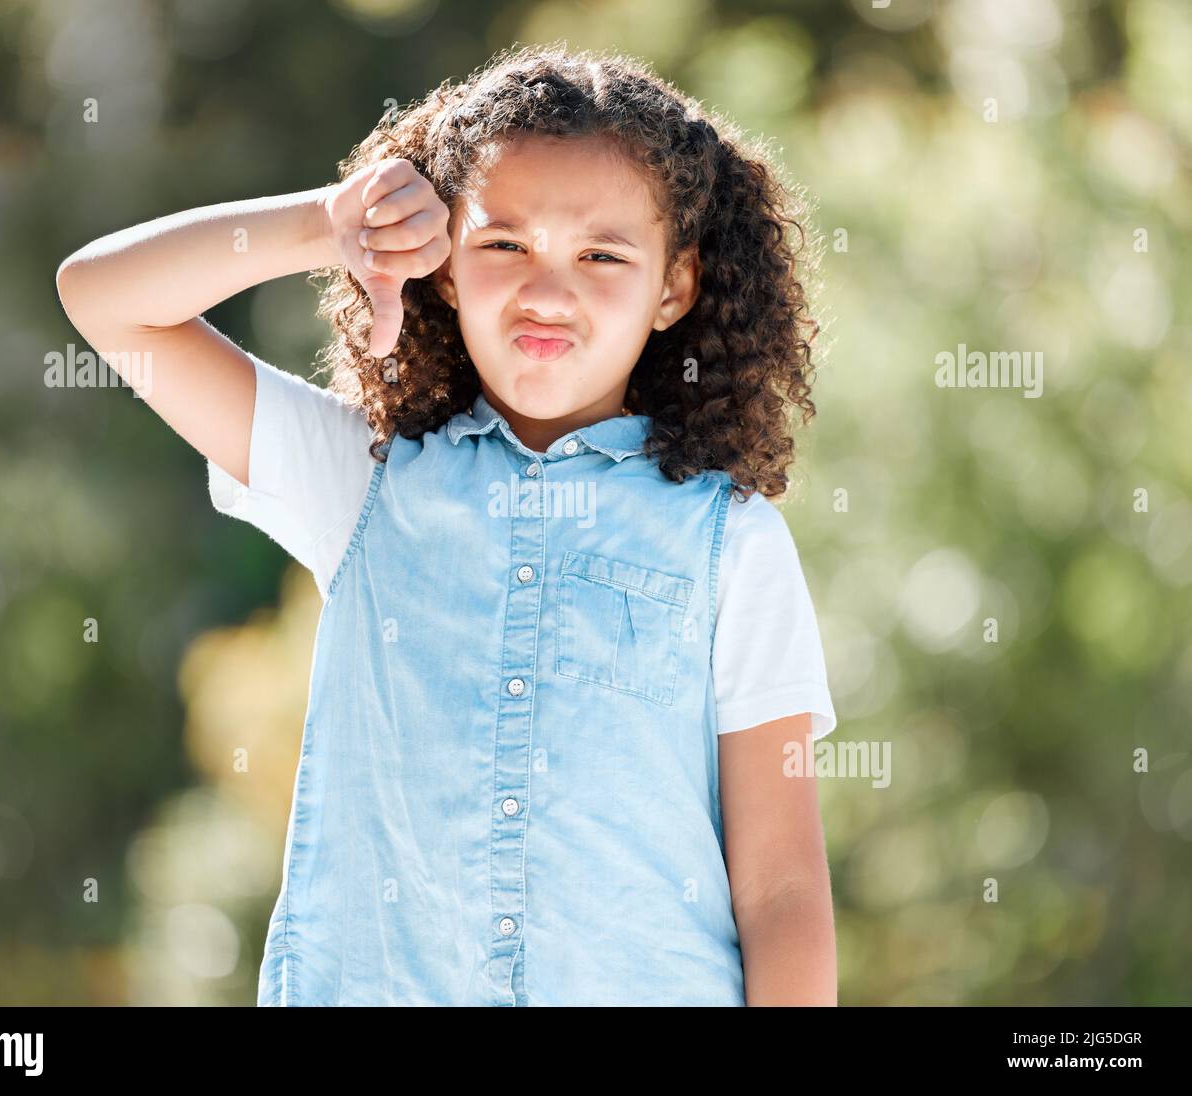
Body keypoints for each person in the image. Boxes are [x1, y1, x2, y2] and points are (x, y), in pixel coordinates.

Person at [55, 43, 838, 1007]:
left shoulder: (735, 541)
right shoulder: (360, 480)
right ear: (448, 269)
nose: (547, 290)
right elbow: (105, 301)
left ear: (674, 287)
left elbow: (782, 886)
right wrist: (325, 223)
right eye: (504, 244)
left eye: (602, 254)